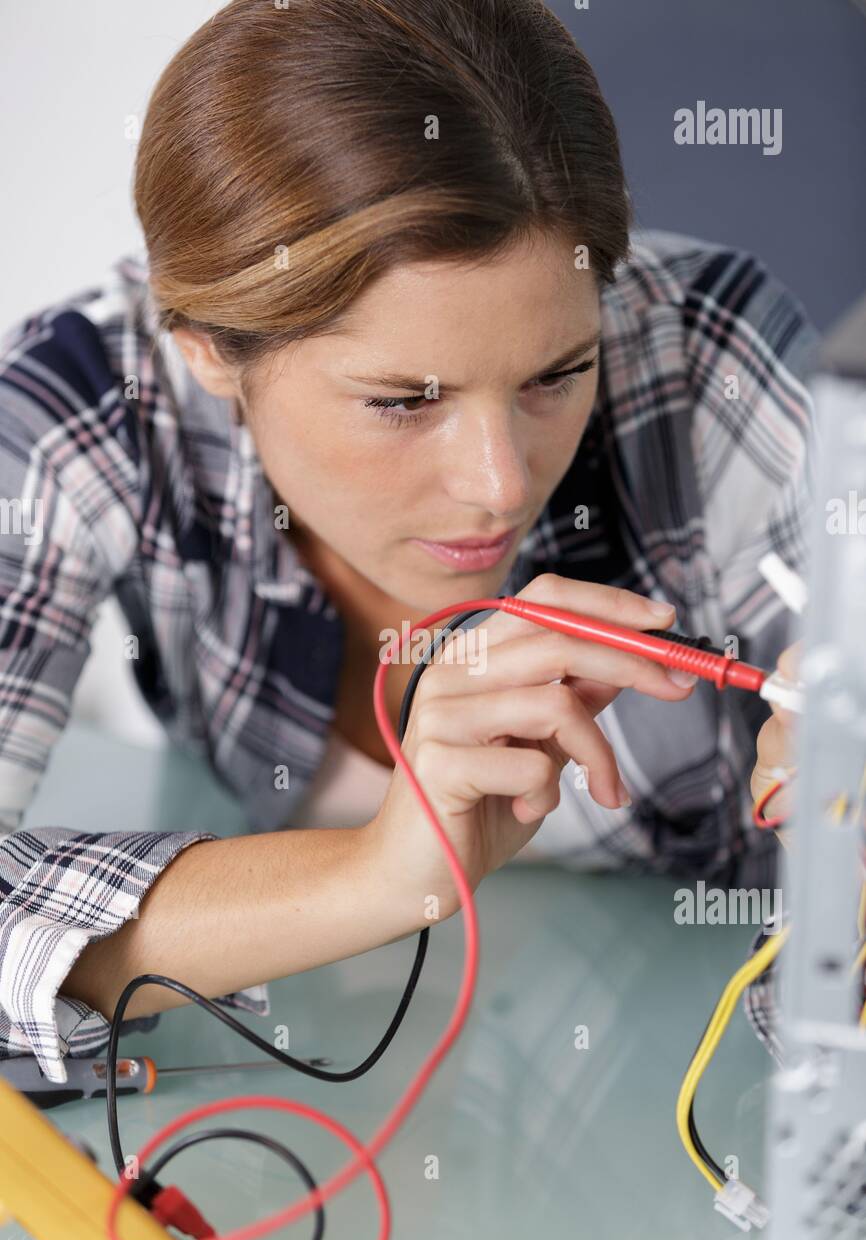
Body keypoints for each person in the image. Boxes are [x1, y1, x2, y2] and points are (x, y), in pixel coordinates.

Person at [0, 0, 819, 1084]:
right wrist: (378, 878)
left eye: (556, 375)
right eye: (400, 401)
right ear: (203, 348)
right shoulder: (86, 404)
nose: (500, 485)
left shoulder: (707, 352)